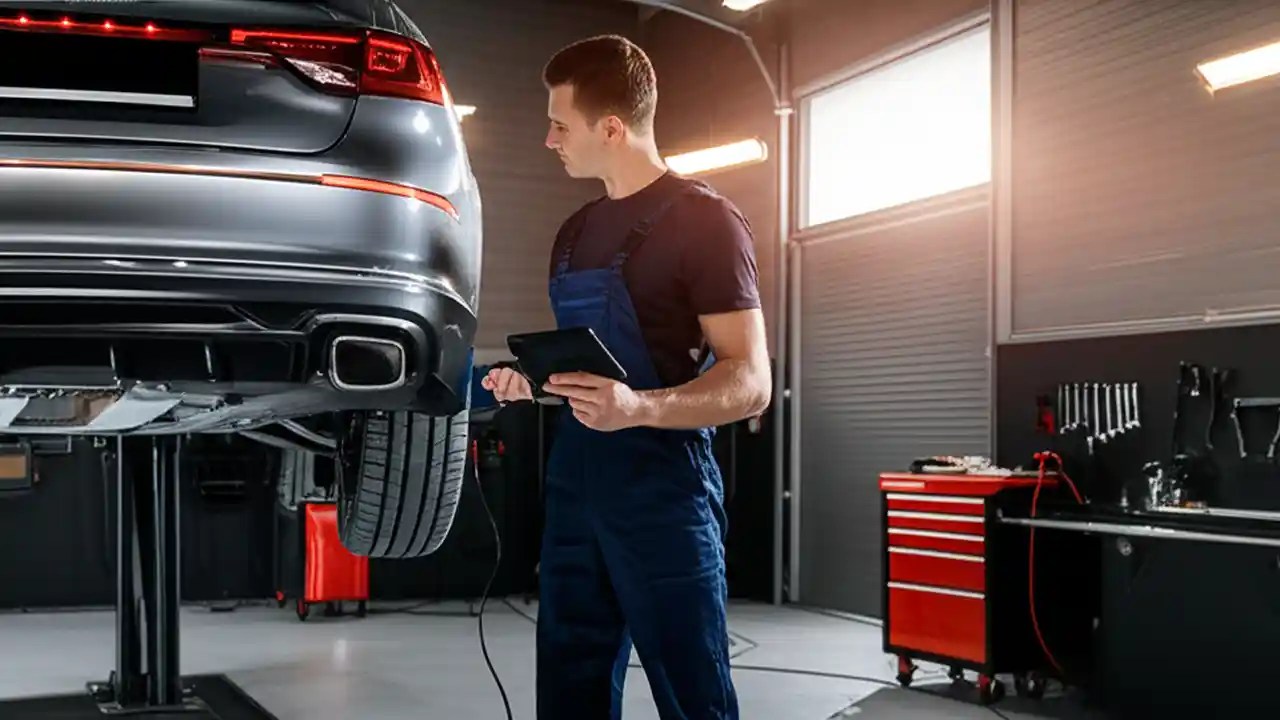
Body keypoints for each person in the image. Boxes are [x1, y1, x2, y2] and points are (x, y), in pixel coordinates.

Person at [482, 34, 771, 720]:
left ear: (611, 128)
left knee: (692, 691)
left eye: (560, 123)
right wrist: (532, 380)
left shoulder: (706, 222)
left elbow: (750, 379)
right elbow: (589, 365)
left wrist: (637, 406)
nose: (549, 140)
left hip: (663, 489)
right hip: (577, 481)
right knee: (569, 688)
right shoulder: (574, 231)